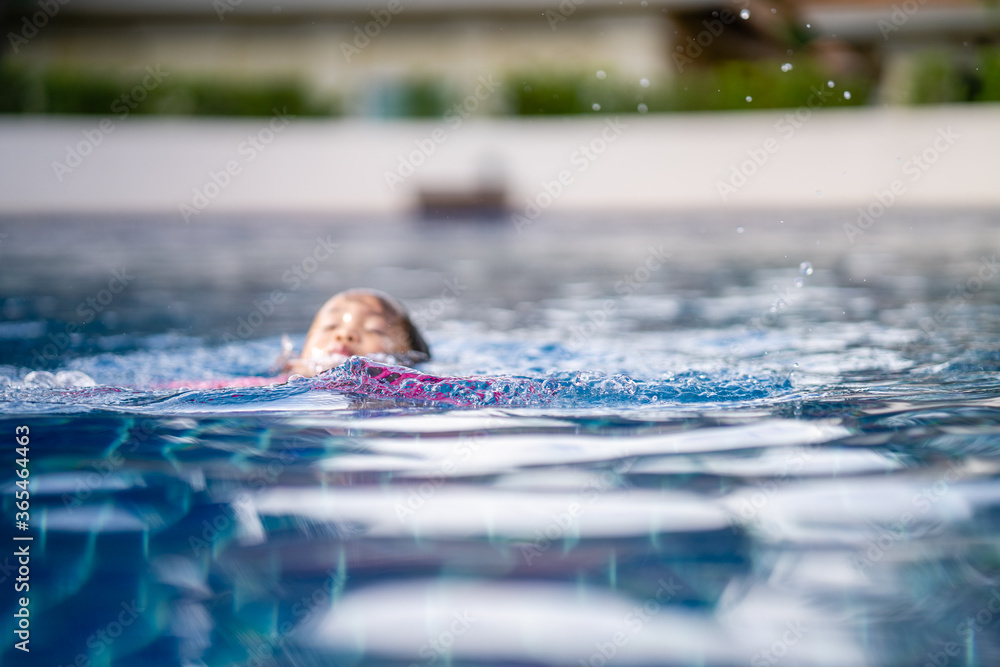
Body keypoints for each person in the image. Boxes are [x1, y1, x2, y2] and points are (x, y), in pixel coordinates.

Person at [282, 288, 430, 378]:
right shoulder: (275, 384)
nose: (345, 334)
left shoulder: (408, 388)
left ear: (408, 358)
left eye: (374, 329)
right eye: (330, 326)